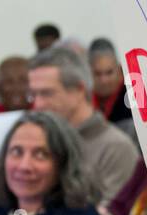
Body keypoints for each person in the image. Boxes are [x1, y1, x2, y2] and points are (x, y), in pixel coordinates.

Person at [27, 47, 138, 204]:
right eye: (33, 95)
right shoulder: (37, 142)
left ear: (79, 90)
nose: (37, 104)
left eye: (47, 93)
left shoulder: (115, 148)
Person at [88, 38, 133, 137]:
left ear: (120, 71)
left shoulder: (135, 102)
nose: (104, 80)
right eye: (97, 73)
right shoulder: (83, 103)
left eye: (109, 73)